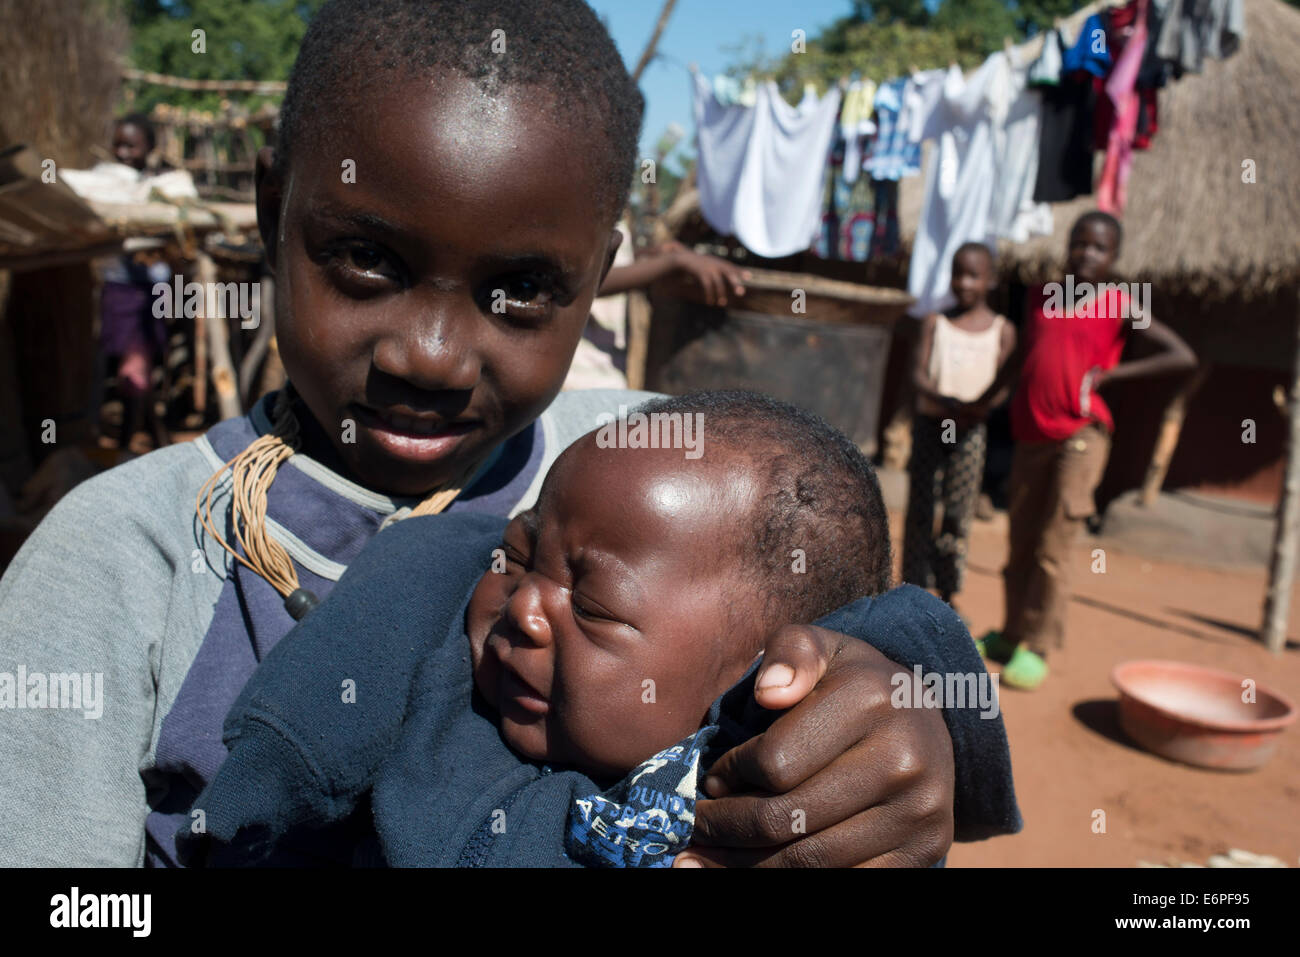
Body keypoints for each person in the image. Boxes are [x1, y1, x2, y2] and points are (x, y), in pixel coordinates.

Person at [0, 0, 1016, 868]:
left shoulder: (646, 457)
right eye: (365, 258)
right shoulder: (120, 564)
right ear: (275, 210)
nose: (432, 355)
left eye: (522, 289)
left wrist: (889, 723)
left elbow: (843, 604)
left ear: (599, 273)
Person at [182, 393, 993, 867]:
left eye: (596, 608)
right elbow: (437, 558)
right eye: (521, 557)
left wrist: (914, 683)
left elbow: (894, 637)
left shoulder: (762, 801)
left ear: (765, 666)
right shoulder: (446, 687)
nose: (525, 608)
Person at [978, 211, 1195, 689]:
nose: (1086, 254)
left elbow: (1182, 355)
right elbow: (1020, 359)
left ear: (1114, 257)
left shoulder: (1121, 302)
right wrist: (983, 399)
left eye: (1099, 248)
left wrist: (1113, 375)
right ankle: (1012, 634)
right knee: (1021, 541)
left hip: (1081, 437)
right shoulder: (1041, 297)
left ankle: (1039, 647)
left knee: (1054, 547)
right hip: (1031, 436)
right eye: (1079, 243)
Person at [903, 242, 1016, 610]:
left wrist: (978, 407)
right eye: (957, 274)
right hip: (931, 423)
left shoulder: (1002, 331)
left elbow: (1004, 385)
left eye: (973, 275)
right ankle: (913, 588)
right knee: (920, 506)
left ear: (991, 280)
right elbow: (916, 374)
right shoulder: (935, 322)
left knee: (958, 510)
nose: (964, 283)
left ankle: (948, 594)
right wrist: (943, 399)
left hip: (969, 430)